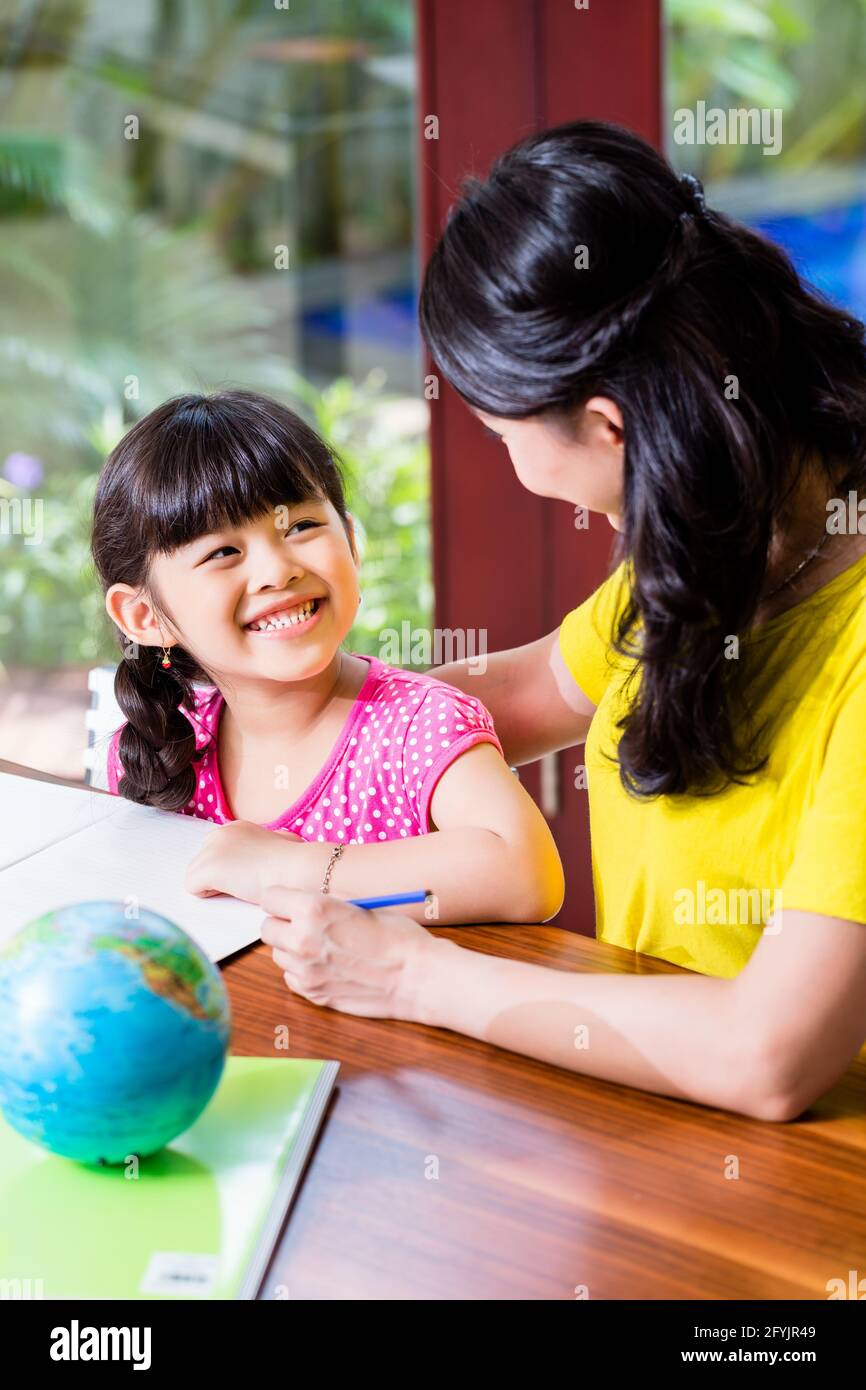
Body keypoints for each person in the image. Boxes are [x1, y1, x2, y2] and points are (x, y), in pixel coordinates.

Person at [259, 121, 866, 1121]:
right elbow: (538, 687)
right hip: (661, 1125)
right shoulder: (740, 508)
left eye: (500, 433)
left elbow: (771, 1056)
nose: (508, 466)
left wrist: (415, 979)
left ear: (606, 426)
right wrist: (285, 708)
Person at [91, 389, 563, 926]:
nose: (278, 570)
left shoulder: (416, 726)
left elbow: (526, 873)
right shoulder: (166, 745)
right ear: (144, 617)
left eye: (300, 527)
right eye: (223, 552)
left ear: (353, 546)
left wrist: (289, 867)